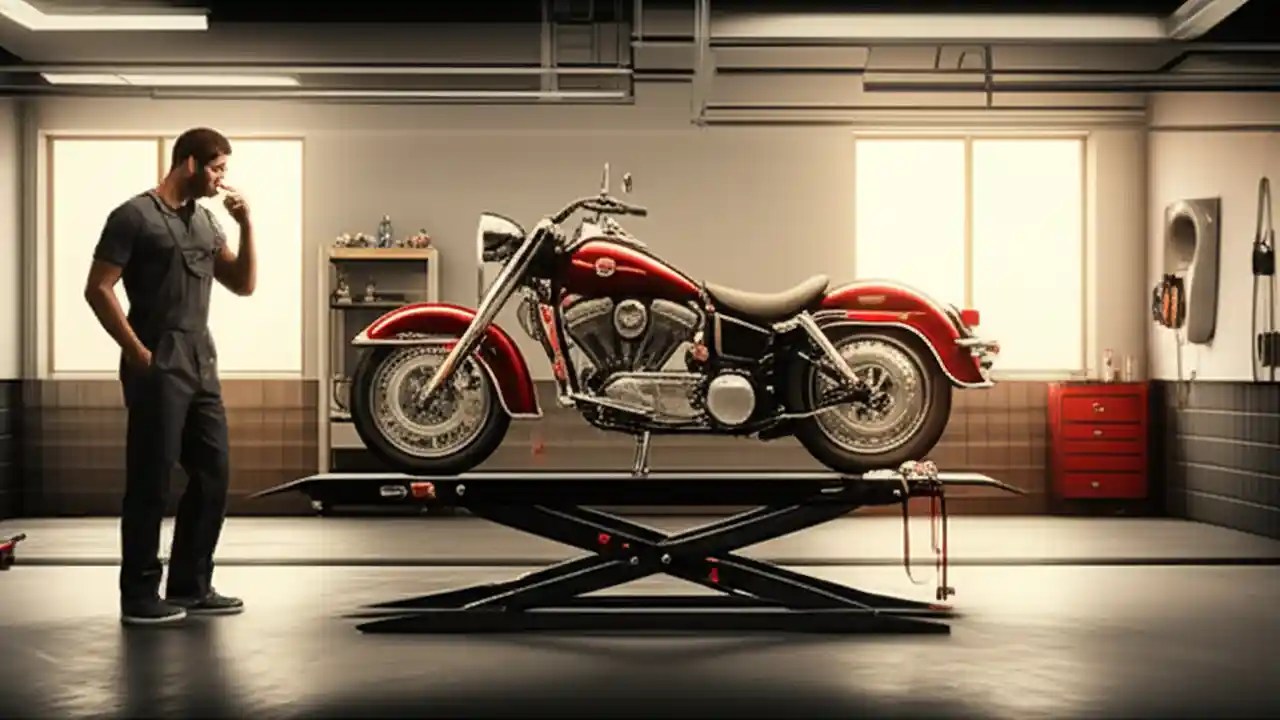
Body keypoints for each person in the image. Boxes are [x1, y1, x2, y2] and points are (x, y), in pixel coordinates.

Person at [83, 127, 257, 625]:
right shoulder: (133, 216)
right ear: (190, 164)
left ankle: (190, 585)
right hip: (156, 356)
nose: (223, 178)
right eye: (218, 168)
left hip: (202, 359)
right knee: (151, 479)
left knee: (213, 473)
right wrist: (136, 351)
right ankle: (139, 596)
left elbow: (243, 284)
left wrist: (247, 225)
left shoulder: (205, 222)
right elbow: (98, 288)